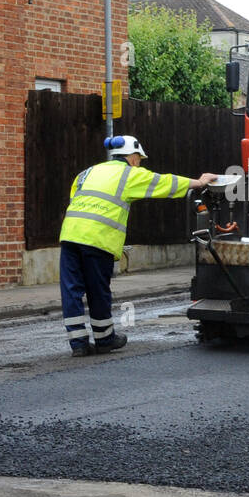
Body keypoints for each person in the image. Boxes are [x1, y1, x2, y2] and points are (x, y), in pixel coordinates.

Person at [60, 136, 217, 357]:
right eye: (140, 159)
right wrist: (199, 182)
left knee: (71, 291)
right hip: (97, 239)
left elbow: (74, 198)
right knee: (97, 290)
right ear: (132, 158)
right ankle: (104, 339)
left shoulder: (86, 173)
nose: (140, 163)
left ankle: (78, 345)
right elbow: (165, 183)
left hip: (69, 235)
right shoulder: (130, 174)